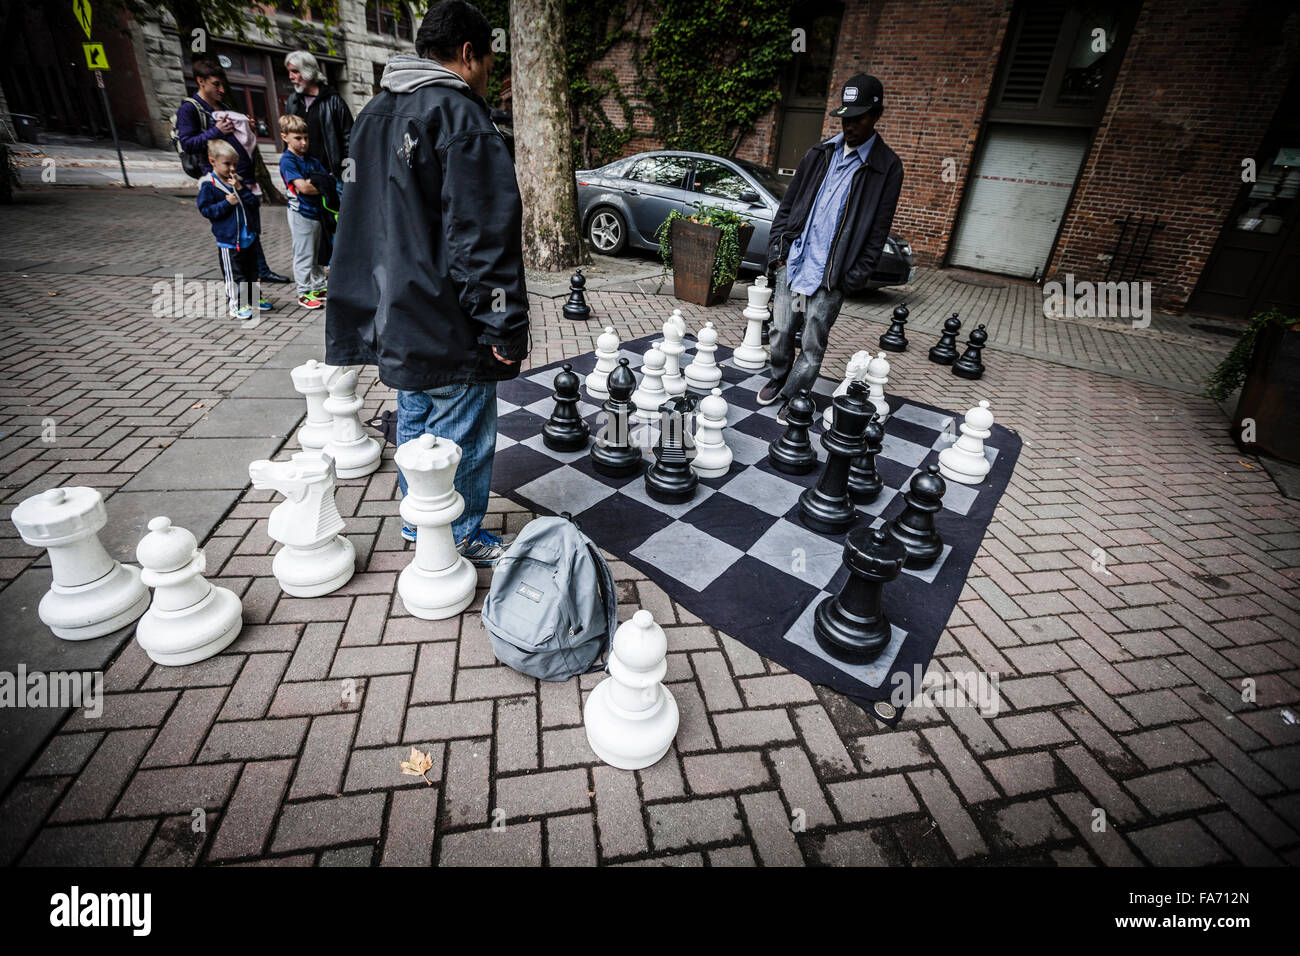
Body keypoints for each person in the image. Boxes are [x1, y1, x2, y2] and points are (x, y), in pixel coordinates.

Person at [325, 0, 528, 566]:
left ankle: (420, 523)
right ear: (469, 54)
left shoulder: (373, 113)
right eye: (489, 62)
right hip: (447, 318)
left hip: (394, 311)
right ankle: (457, 534)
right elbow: (482, 238)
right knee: (463, 429)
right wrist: (503, 325)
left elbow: (362, 216)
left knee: (415, 415)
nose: (489, 75)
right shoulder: (461, 117)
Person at [760, 73, 904, 423]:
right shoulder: (819, 153)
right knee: (780, 332)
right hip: (795, 264)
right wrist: (778, 254)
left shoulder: (887, 168)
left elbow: (877, 232)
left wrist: (852, 277)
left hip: (829, 276)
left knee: (811, 344)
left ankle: (794, 396)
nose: (850, 125)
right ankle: (779, 376)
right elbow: (788, 207)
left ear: (877, 115)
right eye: (845, 118)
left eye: (859, 118)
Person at [176, 58, 291, 286]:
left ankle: (260, 271)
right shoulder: (190, 109)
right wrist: (214, 131)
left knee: (252, 228)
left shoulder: (224, 106)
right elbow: (187, 143)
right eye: (216, 84)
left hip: (242, 178)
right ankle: (242, 283)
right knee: (237, 231)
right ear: (200, 82)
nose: (221, 90)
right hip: (221, 181)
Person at [196, 140, 272, 322]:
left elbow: (254, 203)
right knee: (235, 275)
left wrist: (240, 188)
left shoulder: (237, 182)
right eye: (227, 164)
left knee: (252, 271)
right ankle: (236, 305)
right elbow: (207, 210)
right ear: (213, 161)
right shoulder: (209, 186)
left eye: (234, 164)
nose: (231, 168)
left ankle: (253, 297)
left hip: (248, 237)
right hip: (229, 241)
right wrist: (226, 204)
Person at [277, 114, 330, 310]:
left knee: (316, 253)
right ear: (285, 137)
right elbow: (305, 188)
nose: (303, 142)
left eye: (305, 138)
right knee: (304, 253)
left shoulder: (311, 160)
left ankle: (317, 287)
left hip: (316, 212)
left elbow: (327, 182)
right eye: (298, 138)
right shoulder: (288, 161)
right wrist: (317, 184)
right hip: (301, 212)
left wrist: (318, 184)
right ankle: (304, 292)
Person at [285, 51, 354, 189]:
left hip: (333, 177)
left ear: (308, 71)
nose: (290, 77)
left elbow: (350, 141)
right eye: (289, 72)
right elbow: (287, 137)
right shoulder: (293, 101)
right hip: (304, 177)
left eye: (295, 71)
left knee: (338, 211)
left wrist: (350, 180)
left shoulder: (334, 102)